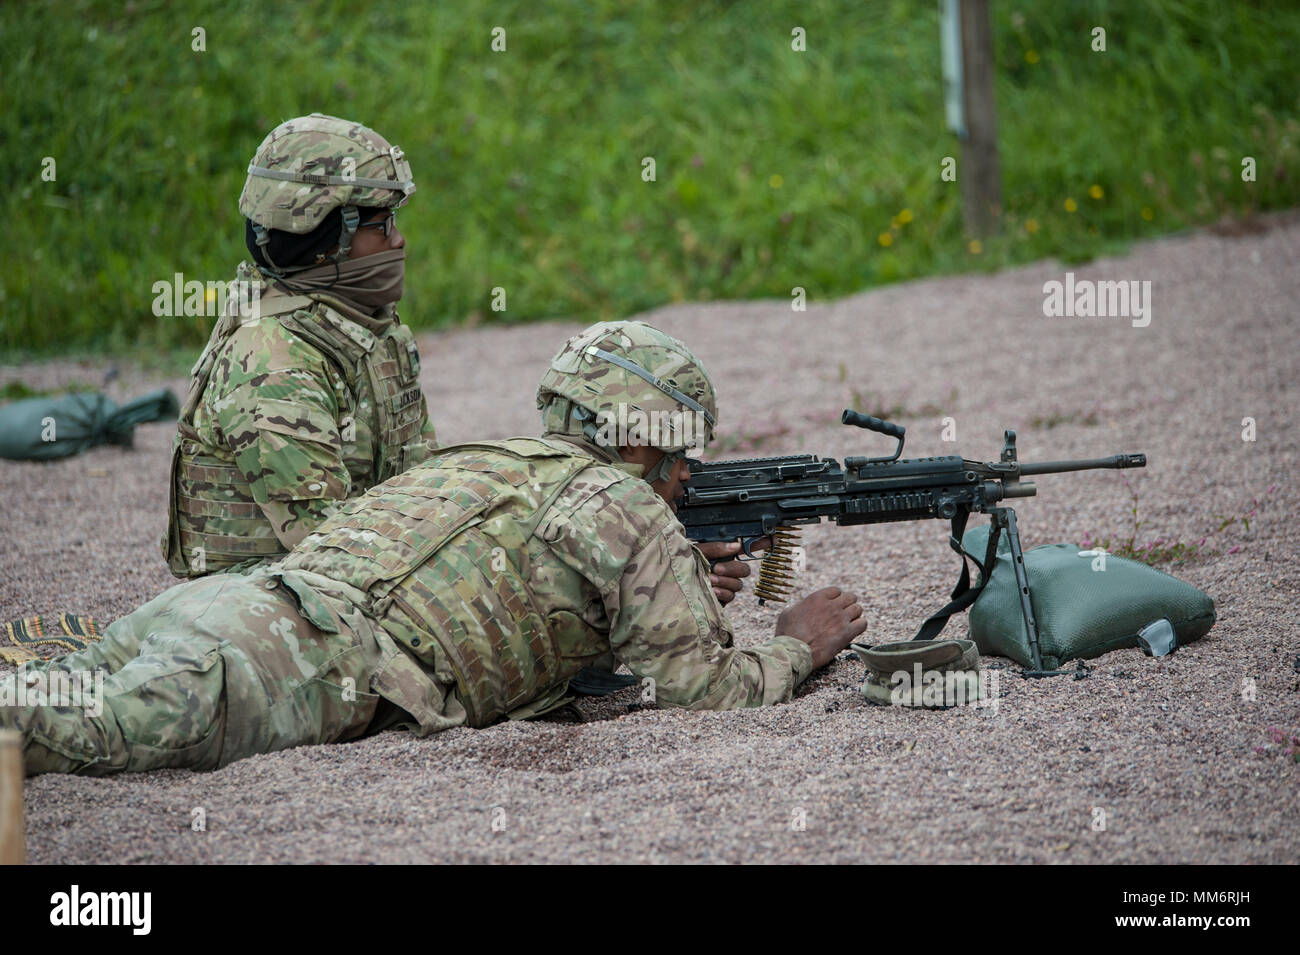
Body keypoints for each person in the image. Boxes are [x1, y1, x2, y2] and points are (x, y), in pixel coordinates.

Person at [4, 321, 867, 775]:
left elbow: (513, 602)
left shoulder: (485, 457)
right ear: (646, 444)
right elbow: (705, 695)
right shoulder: (623, 506)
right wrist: (797, 640)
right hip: (292, 655)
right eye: (680, 456)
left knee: (46, 686)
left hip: (228, 602)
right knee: (63, 736)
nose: (685, 477)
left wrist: (667, 585)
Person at [161, 113, 438, 578]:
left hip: (350, 591)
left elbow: (424, 480)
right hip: (267, 612)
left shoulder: (363, 329)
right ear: (330, 237)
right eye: (382, 224)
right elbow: (329, 549)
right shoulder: (273, 364)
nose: (399, 239)